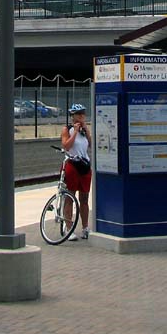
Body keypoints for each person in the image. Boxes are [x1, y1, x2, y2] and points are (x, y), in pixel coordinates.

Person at [61, 103, 92, 240]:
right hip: (72, 165)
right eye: (78, 114)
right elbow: (66, 146)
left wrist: (87, 131)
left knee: (84, 199)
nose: (81, 116)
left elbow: (91, 145)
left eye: (83, 114)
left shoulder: (84, 130)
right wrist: (74, 132)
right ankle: (69, 228)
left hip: (84, 165)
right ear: (72, 116)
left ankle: (85, 228)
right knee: (70, 197)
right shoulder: (67, 129)